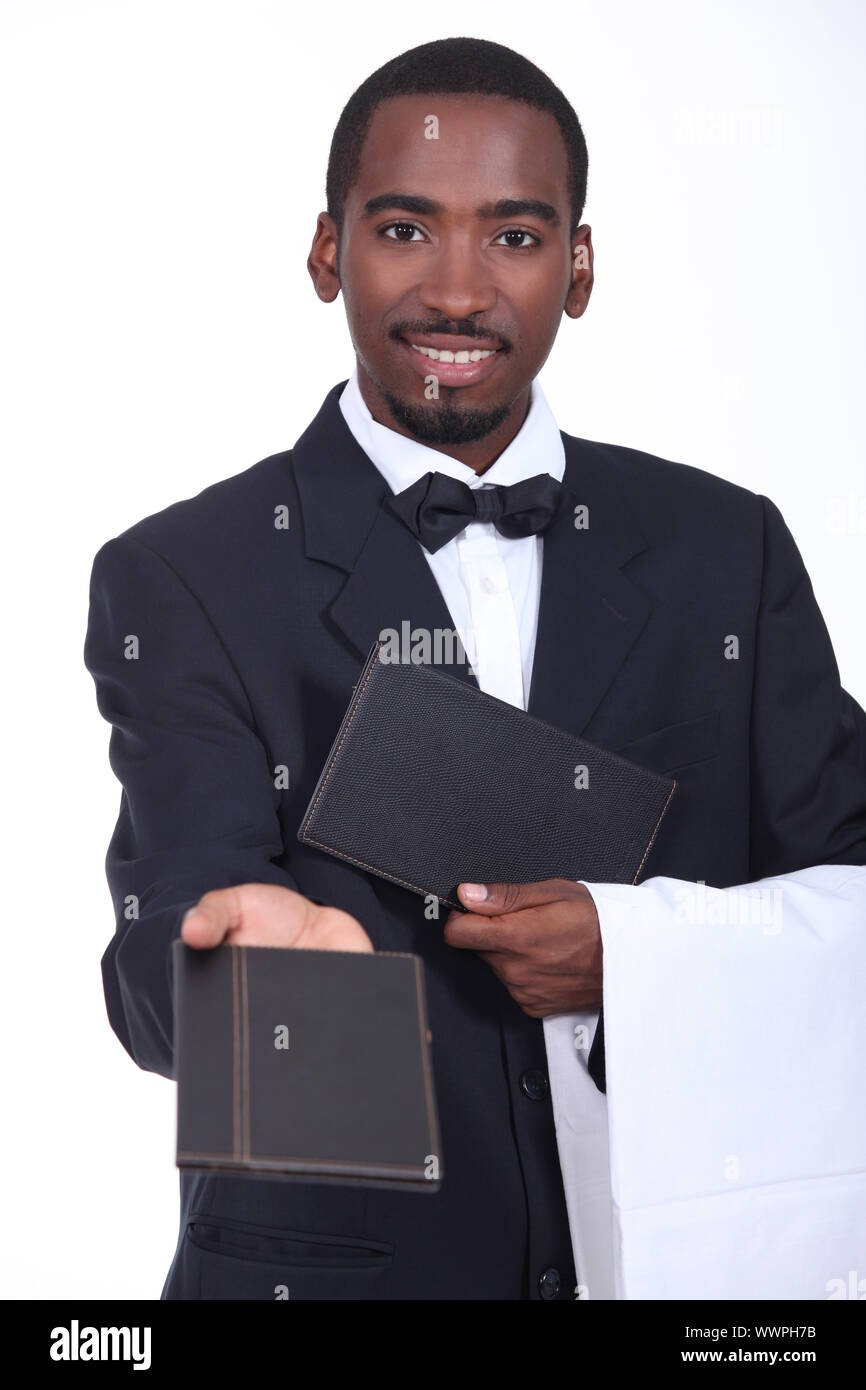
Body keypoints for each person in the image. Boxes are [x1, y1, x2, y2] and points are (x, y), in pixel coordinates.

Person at [84, 36, 866, 1300]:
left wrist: (638, 950)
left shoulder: (732, 552)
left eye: (511, 235)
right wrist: (243, 976)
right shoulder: (184, 572)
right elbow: (149, 980)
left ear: (580, 264)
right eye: (403, 228)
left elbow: (848, 897)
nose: (457, 290)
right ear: (327, 250)